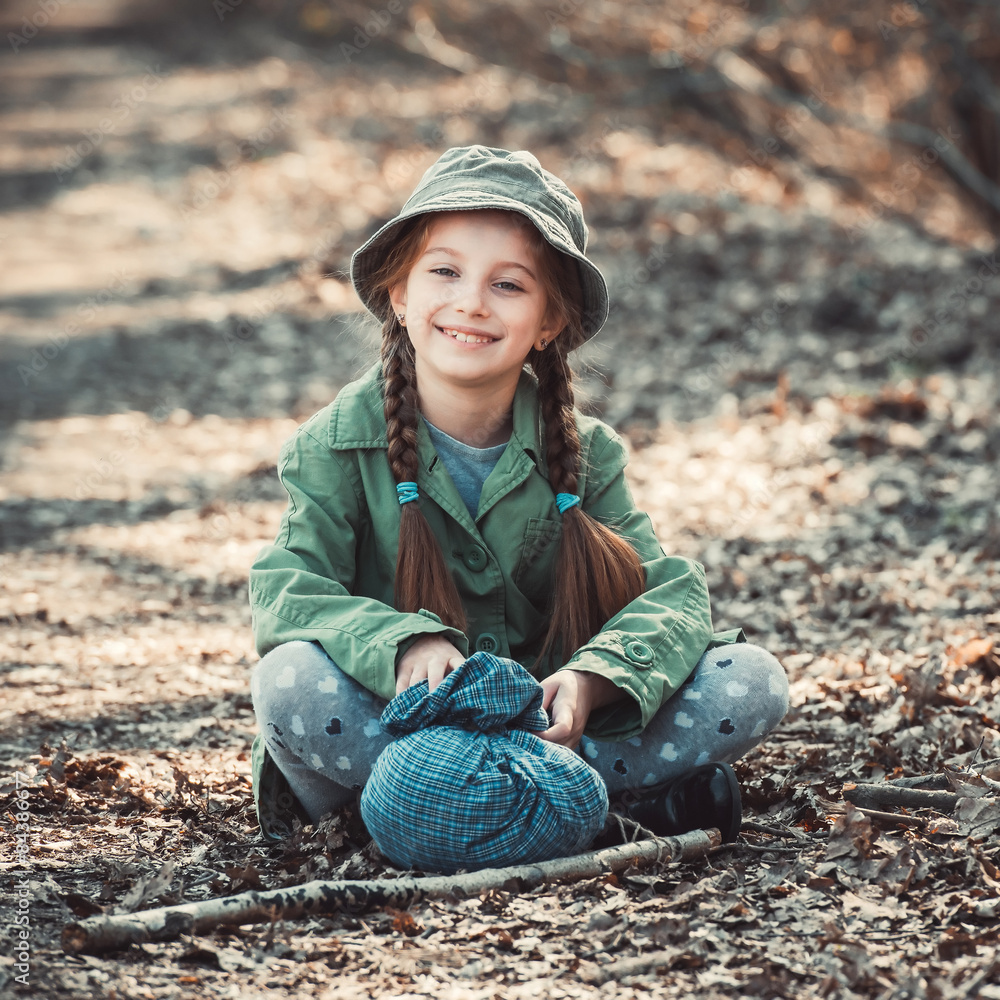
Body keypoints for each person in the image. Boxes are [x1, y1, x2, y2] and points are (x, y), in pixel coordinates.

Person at [248, 145, 789, 862]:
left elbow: (675, 599)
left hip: (550, 734)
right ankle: (596, 812)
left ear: (548, 323)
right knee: (288, 683)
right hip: (399, 737)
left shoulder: (588, 454)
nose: (471, 301)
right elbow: (287, 592)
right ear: (399, 294)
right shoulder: (335, 445)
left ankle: (459, 820)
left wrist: (596, 677)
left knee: (750, 680)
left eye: (508, 285)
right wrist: (400, 641)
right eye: (444, 271)